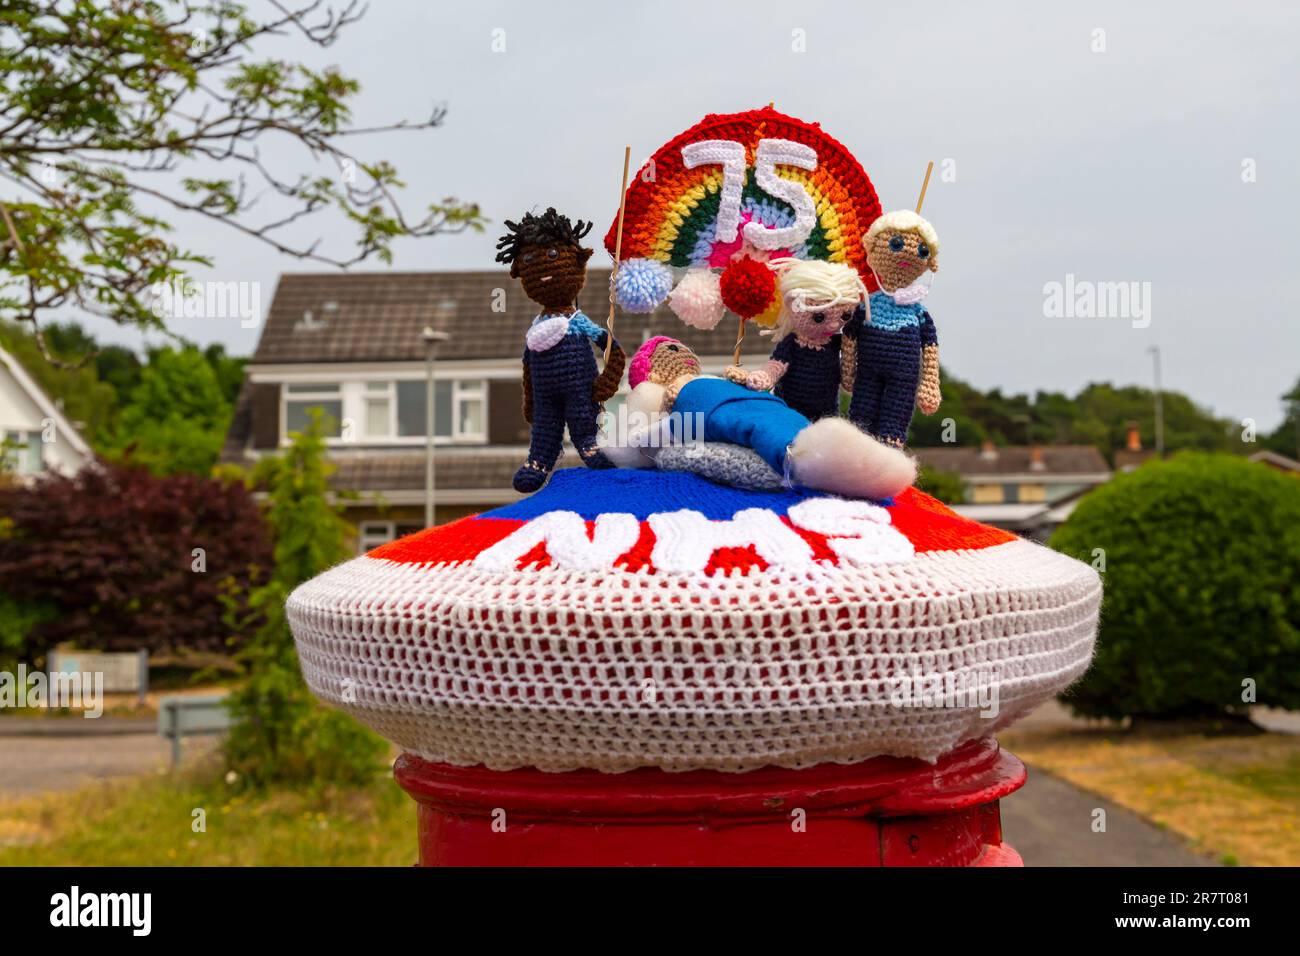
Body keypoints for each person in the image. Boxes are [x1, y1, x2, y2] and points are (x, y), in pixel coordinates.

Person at [495, 207, 625, 492]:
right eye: (529, 260)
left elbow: (612, 349)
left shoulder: (578, 323)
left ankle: (589, 448)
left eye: (553, 256)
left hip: (580, 390)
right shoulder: (535, 328)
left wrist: (606, 382)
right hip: (544, 397)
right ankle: (541, 459)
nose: (542, 270)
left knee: (583, 423)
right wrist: (529, 400)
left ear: (577, 263)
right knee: (544, 428)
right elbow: (528, 365)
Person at [843, 210, 943, 446]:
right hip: (868, 372)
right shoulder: (866, 305)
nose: (909, 252)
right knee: (861, 415)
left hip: (904, 378)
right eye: (896, 243)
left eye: (921, 250)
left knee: (896, 416)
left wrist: (930, 383)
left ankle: (890, 443)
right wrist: (847, 371)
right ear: (873, 250)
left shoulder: (918, 313)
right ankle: (858, 443)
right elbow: (849, 337)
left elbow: (930, 348)